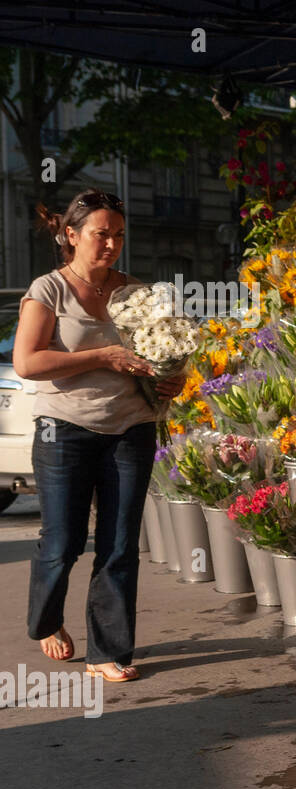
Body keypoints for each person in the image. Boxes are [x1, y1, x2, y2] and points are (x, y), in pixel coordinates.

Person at [13, 189, 184, 682]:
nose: (111, 244)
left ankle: (108, 652)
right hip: (64, 430)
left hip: (131, 427)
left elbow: (163, 353)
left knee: (118, 544)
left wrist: (171, 378)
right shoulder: (49, 290)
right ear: (71, 235)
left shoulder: (138, 293)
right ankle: (45, 620)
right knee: (63, 542)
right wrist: (102, 356)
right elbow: (28, 362)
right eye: (100, 234)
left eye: (119, 236)